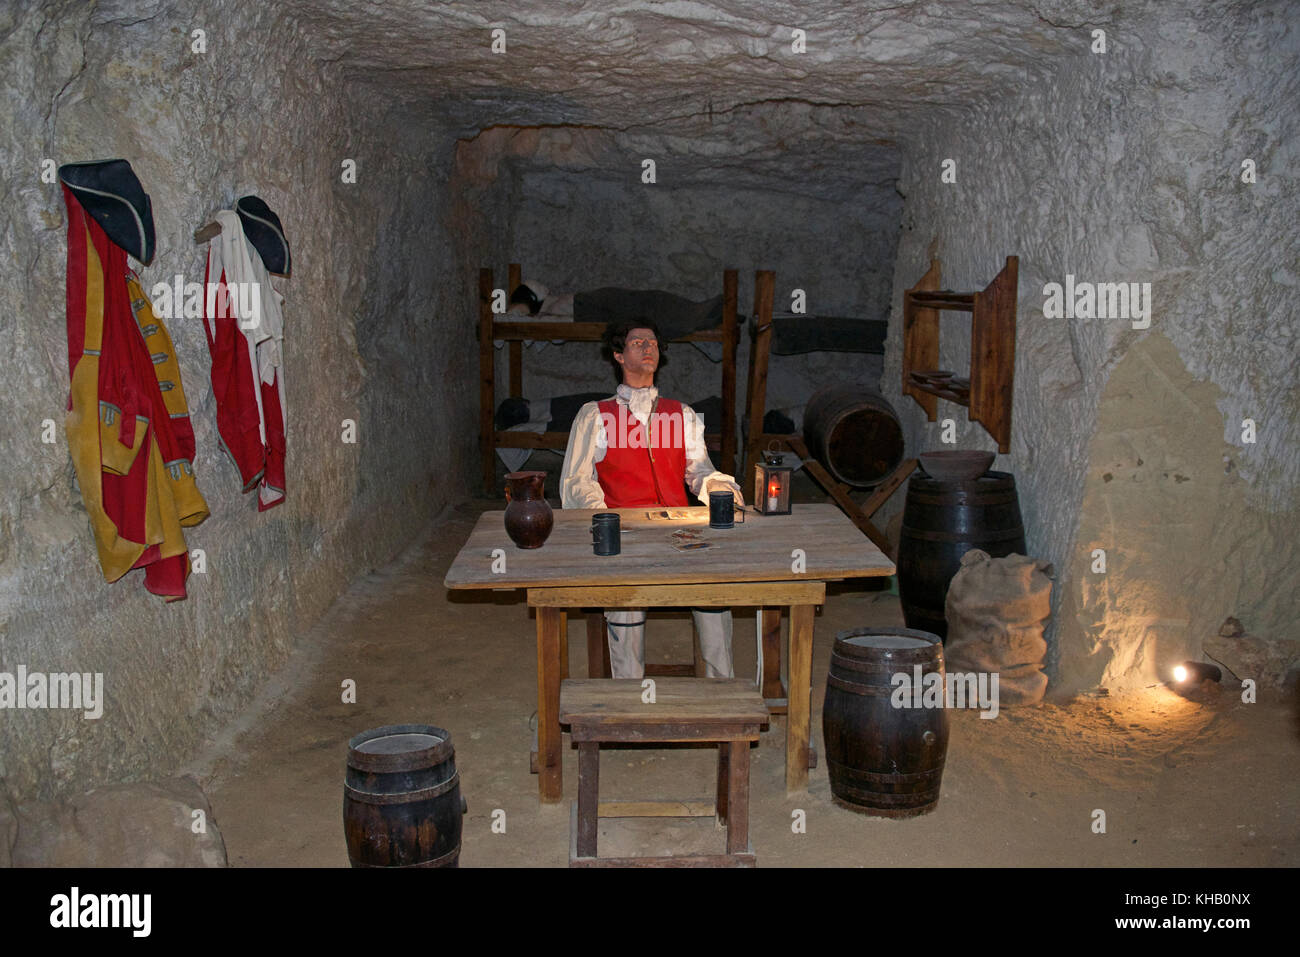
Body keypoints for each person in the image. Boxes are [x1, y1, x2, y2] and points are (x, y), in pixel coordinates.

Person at [560, 318, 744, 678]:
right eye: (637, 342)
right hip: (625, 531)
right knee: (625, 598)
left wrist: (720, 489)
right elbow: (576, 482)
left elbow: (699, 470)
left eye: (653, 343)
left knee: (715, 588)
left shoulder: (683, 414)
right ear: (617, 355)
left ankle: (722, 695)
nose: (647, 347)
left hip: (679, 529)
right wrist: (605, 522)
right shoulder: (595, 415)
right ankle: (629, 697)